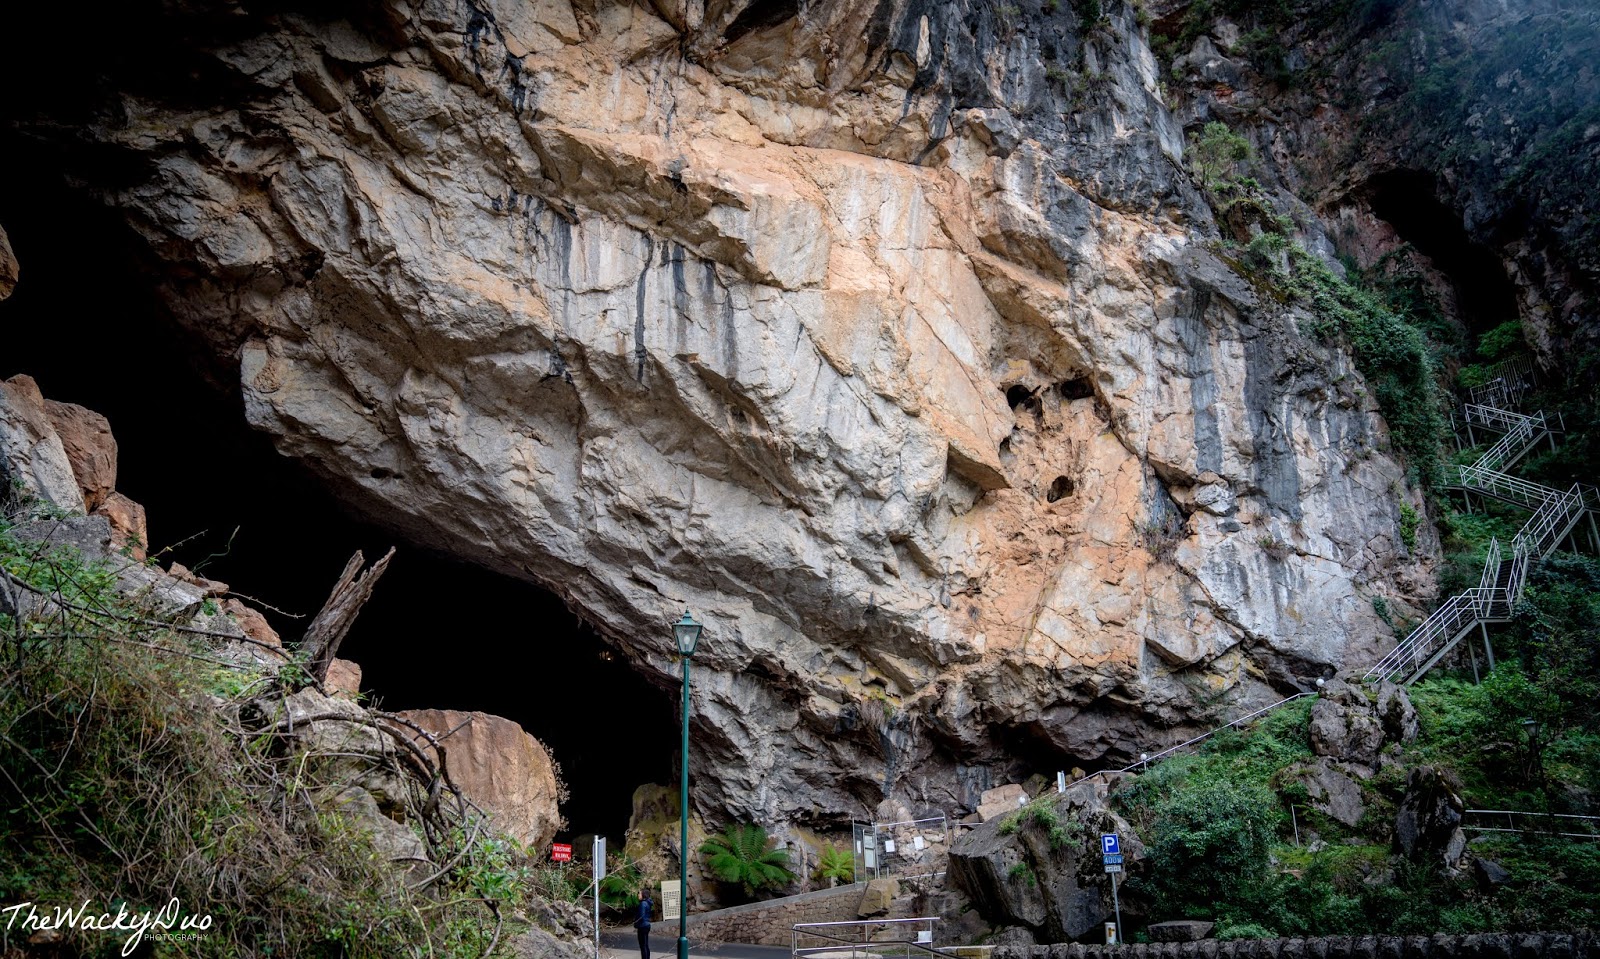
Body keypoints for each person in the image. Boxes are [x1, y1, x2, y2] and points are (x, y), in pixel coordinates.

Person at [634, 888, 653, 959]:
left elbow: (641, 915)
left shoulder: (643, 904)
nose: (638, 895)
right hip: (646, 924)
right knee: (645, 944)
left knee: (643, 945)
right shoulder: (648, 902)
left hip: (642, 925)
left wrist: (636, 922)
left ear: (643, 895)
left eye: (639, 893)